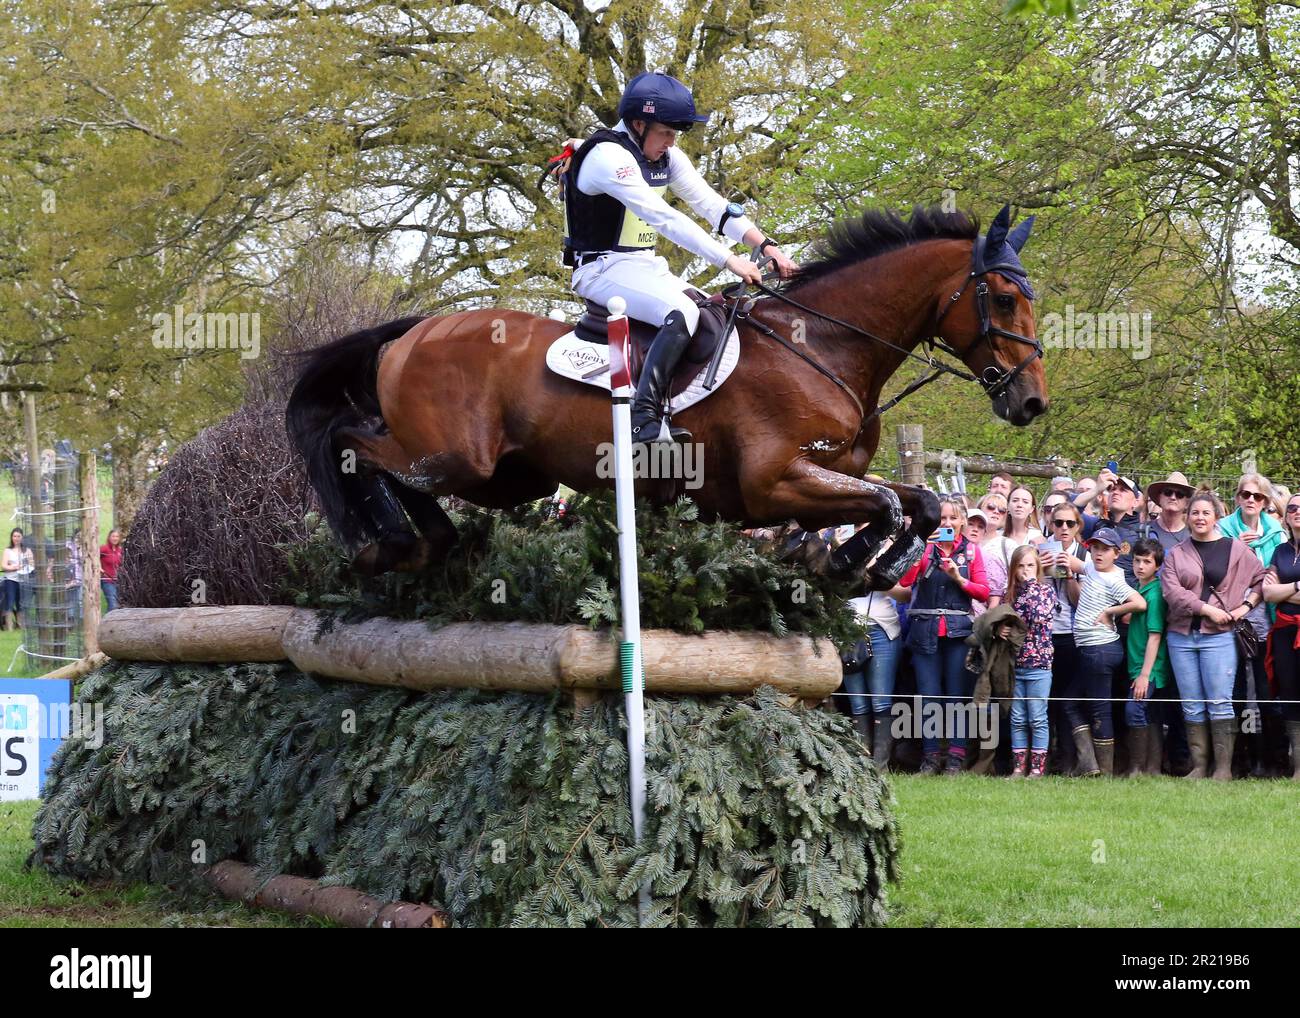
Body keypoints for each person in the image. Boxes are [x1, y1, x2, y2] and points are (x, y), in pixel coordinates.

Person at [560, 72, 797, 443]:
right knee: (682, 313)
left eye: (674, 136)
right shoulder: (608, 157)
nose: (670, 143)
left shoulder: (664, 156)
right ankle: (644, 419)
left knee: (712, 313)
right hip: (600, 269)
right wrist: (729, 260)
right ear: (639, 124)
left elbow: (712, 205)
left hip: (644, 266)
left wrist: (765, 245)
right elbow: (664, 217)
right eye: (666, 133)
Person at [1160, 491, 1265, 780]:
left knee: (1219, 700)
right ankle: (1199, 766)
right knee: (1191, 702)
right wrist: (1206, 609)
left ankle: (1222, 769)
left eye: (1206, 513)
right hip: (1181, 636)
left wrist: (1245, 607)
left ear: (1216, 516)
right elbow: (1173, 593)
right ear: (1187, 517)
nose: (1200, 518)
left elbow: (1261, 580)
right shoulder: (1177, 553)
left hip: (1219, 637)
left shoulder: (1236, 550)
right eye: (1195, 513)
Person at [892, 497, 990, 775]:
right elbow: (906, 581)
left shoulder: (971, 552)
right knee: (928, 695)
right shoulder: (925, 547)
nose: (947, 523)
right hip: (925, 631)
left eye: (952, 518)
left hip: (958, 632)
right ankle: (931, 757)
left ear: (962, 522)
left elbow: (984, 591)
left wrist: (959, 578)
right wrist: (923, 548)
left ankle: (956, 759)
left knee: (957, 697)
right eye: (941, 519)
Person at [1218, 473, 1287, 776]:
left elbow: (1276, 577)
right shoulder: (1223, 530)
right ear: (1237, 498)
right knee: (1237, 693)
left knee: (1263, 691)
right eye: (1245, 494)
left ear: (1265, 502)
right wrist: (1234, 550)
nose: (1250, 500)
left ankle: (1268, 759)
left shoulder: (1276, 534)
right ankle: (1241, 759)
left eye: (1257, 497)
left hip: (1264, 623)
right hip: (1229, 622)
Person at [1066, 527, 1146, 776]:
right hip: (1092, 649)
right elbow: (1076, 563)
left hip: (1100, 649)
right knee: (1070, 703)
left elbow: (1139, 603)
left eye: (1104, 549)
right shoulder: (1091, 567)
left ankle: (1104, 770)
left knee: (1099, 708)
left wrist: (1111, 612)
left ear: (1116, 553)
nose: (1098, 553)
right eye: (1095, 548)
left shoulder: (1114, 579)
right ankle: (1090, 764)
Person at [1039, 502, 1088, 773]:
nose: (1064, 528)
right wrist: (1038, 570)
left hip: (1073, 634)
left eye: (1070, 523)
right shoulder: (1041, 550)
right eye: (1058, 523)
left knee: (1069, 700)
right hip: (1044, 635)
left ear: (1078, 526)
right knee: (1047, 700)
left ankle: (1070, 760)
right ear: (1051, 524)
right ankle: (1044, 759)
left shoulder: (1085, 556)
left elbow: (1083, 602)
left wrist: (1071, 573)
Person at [1122, 539, 1172, 775]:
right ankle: (1152, 768)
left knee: (1134, 709)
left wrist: (1145, 675)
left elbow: (1155, 635)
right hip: (1135, 662)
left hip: (1149, 666)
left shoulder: (1156, 593)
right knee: (1151, 712)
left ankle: (1137, 768)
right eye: (1137, 560)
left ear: (1157, 565)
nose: (1140, 566)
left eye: (1147, 561)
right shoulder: (1138, 590)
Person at [842, 576, 902, 770]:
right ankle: (861, 765)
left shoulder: (885, 552)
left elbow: (906, 595)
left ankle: (879, 767)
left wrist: (880, 578)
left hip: (882, 630)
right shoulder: (839, 551)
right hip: (845, 630)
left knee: (881, 700)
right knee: (857, 702)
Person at [1005, 545, 1055, 777]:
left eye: (1030, 566)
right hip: (1016, 665)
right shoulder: (1011, 596)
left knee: (1037, 716)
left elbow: (1038, 616)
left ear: (1038, 568)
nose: (1025, 571)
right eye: (1021, 566)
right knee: (1017, 718)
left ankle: (1037, 768)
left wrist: (1032, 584)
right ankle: (1018, 767)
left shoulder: (1045, 592)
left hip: (1039, 666)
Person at [1263, 493, 1300, 779]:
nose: (1297, 512)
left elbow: (1278, 591)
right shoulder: (1281, 551)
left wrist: (1284, 589)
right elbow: (1268, 593)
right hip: (1285, 631)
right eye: (1293, 508)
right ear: (1286, 516)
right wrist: (1297, 585)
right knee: (1289, 694)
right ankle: (1297, 768)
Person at [1144, 471, 1193, 551]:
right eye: (1168, 492)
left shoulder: (1193, 536)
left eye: (1179, 494)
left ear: (1187, 503)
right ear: (1159, 498)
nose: (1173, 497)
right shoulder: (1144, 530)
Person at [1, 529, 29, 630]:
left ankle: (20, 625)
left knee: (21, 603)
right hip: (10, 580)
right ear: (11, 538)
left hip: (23, 580)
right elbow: (3, 566)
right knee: (9, 602)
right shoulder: (7, 551)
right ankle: (9, 627)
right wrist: (14, 567)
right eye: (14, 536)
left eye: (18, 536)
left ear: (22, 538)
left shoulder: (27, 550)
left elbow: (31, 564)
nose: (16, 538)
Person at [100, 529, 123, 613]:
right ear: (109, 537)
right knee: (113, 604)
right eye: (113, 536)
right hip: (107, 580)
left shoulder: (120, 550)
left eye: (117, 536)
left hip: (118, 581)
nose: (115, 538)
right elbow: (93, 556)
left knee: (119, 605)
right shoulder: (104, 549)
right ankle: (108, 624)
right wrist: (98, 567)